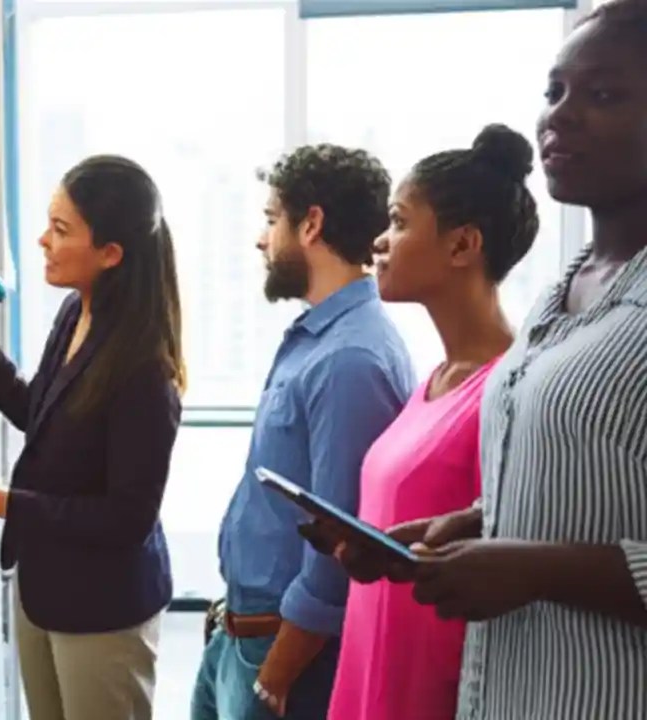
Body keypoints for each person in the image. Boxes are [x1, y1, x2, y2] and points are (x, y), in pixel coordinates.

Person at [331, 2, 647, 718]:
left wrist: (539, 570)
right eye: (554, 92)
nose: (559, 118)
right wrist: (469, 526)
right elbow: (586, 484)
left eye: (602, 96)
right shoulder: (562, 293)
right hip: (507, 691)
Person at [0, 154, 185, 720]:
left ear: (111, 254)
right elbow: (38, 414)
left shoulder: (145, 369)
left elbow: (127, 519)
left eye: (62, 230)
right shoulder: (76, 313)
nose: (43, 241)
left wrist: (4, 504)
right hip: (44, 587)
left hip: (103, 607)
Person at [304, 124, 540, 720]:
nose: (380, 242)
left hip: (433, 688)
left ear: (463, 245)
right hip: (371, 669)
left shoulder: (510, 389)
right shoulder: (432, 383)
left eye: (400, 222)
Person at [191, 144, 414, 720]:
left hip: (282, 652)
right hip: (238, 633)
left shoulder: (352, 359)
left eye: (271, 219)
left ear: (311, 224)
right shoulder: (318, 340)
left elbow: (339, 540)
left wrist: (277, 673)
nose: (262, 239)